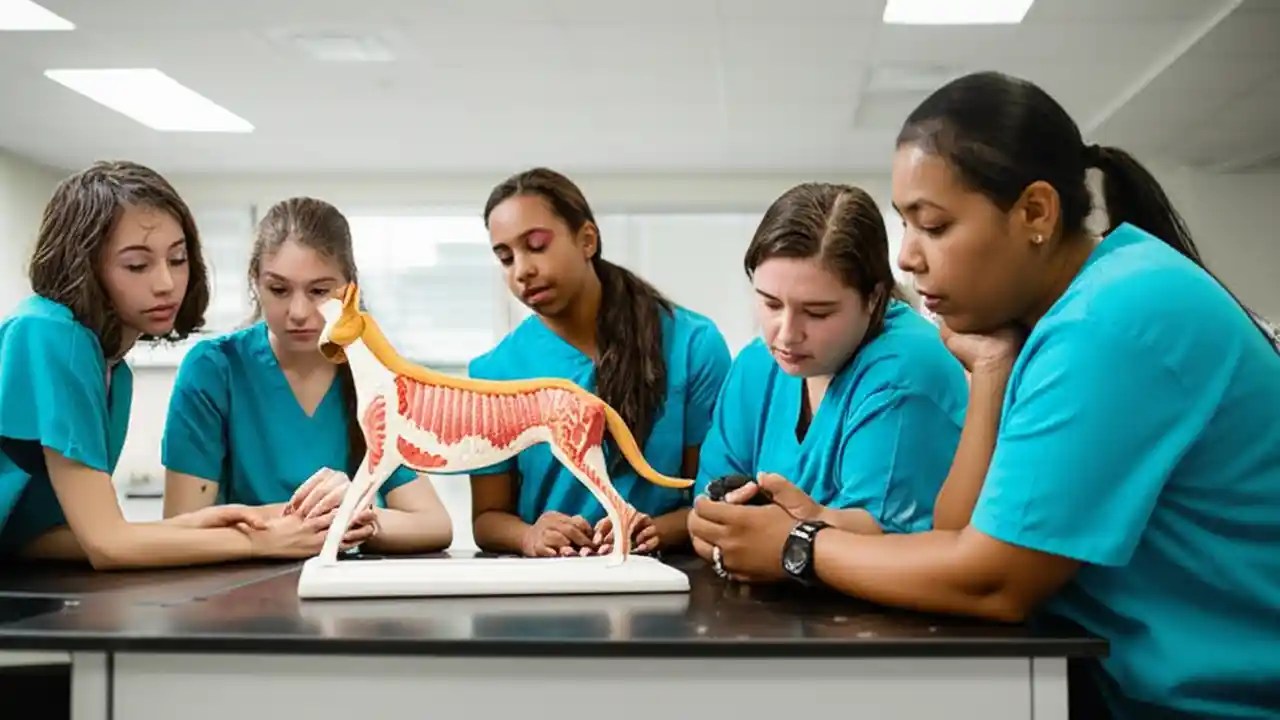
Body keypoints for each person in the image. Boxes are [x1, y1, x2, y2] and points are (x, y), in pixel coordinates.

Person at [687, 71, 1280, 720]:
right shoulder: (1067, 315)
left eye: (934, 227)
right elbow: (960, 530)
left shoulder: (1110, 319)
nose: (908, 259)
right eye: (905, 227)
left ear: (1034, 214)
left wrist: (799, 546)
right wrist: (996, 365)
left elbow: (993, 581)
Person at [0, 160, 322, 569]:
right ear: (83, 266)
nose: (166, 283)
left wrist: (199, 527)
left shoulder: (116, 372)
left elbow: (31, 539)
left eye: (177, 259)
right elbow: (106, 546)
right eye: (137, 265)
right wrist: (256, 544)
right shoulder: (47, 334)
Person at [161, 197, 454, 555]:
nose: (298, 312)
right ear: (256, 283)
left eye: (318, 292)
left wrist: (360, 514)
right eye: (279, 290)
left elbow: (434, 524)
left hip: (341, 589)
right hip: (237, 589)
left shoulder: (372, 373)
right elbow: (180, 526)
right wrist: (313, 517)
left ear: (349, 290)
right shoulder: (214, 369)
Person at [690, 182, 969, 551]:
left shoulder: (908, 370)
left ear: (873, 298)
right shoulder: (756, 365)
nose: (786, 335)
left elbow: (884, 547)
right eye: (771, 304)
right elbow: (705, 516)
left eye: (817, 312)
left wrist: (776, 541)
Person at [468, 167, 732, 558]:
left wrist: (650, 530)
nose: (522, 270)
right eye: (506, 258)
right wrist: (529, 536)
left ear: (587, 240)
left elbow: (711, 500)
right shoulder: (492, 373)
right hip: (549, 583)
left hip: (667, 578)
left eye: (537, 245)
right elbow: (487, 518)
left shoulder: (693, 344)